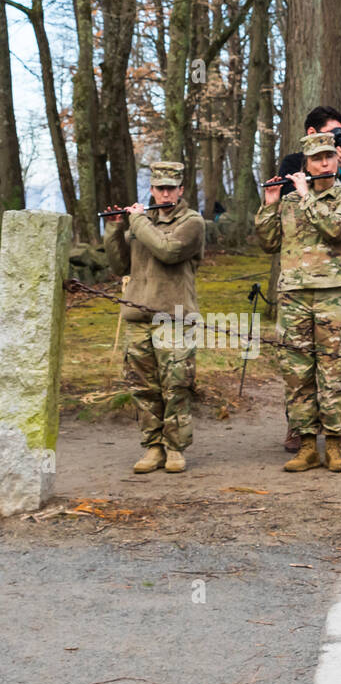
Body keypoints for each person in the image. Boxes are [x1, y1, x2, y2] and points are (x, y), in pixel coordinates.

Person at [255, 133, 341, 473]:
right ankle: (305, 446)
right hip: (294, 295)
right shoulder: (288, 202)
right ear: (306, 164)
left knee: (334, 370)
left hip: (335, 294)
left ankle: (333, 444)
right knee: (297, 372)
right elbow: (268, 242)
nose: (324, 163)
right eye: (317, 159)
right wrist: (271, 202)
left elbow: (337, 230)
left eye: (329, 157)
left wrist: (305, 197)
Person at [277, 106, 341, 455]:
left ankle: (340, 427)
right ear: (310, 133)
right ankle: (301, 429)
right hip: (302, 274)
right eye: (331, 134)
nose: (336, 145)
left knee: (340, 357)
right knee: (299, 362)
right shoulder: (292, 163)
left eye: (339, 136)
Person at [103, 161, 206, 475]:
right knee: (143, 387)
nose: (164, 194)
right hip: (138, 315)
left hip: (175, 316)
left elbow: (168, 250)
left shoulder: (193, 221)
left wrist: (137, 223)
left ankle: (175, 448)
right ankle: (153, 446)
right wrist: (115, 228)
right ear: (150, 189)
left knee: (176, 386)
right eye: (159, 188)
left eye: (170, 188)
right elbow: (121, 266)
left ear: (181, 189)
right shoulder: (141, 220)